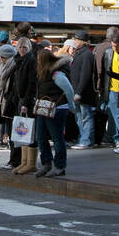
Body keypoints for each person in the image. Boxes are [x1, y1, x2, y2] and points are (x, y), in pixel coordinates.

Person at [32, 47, 77, 177]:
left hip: (57, 108)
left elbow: (68, 90)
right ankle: (47, 163)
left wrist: (71, 106)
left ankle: (59, 165)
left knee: (56, 137)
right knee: (40, 136)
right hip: (45, 107)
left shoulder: (56, 74)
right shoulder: (44, 73)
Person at [7, 37, 39, 174]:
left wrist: (25, 102)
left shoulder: (30, 61)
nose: (22, 50)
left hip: (26, 101)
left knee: (27, 131)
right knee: (21, 132)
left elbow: (32, 84)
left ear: (29, 48)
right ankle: (24, 161)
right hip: (18, 99)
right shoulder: (19, 60)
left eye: (24, 47)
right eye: (20, 47)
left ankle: (29, 163)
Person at [67, 30, 97, 149]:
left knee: (85, 116)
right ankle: (83, 138)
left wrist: (79, 92)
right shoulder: (81, 53)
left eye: (76, 39)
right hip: (77, 91)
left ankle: (86, 140)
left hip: (83, 93)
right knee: (80, 117)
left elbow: (85, 74)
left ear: (82, 41)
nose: (74, 42)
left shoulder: (86, 54)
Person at [99, 27, 119, 149]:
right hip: (112, 89)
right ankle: (118, 138)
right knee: (115, 116)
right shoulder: (109, 53)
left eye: (117, 46)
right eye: (113, 46)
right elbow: (104, 72)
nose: (115, 48)